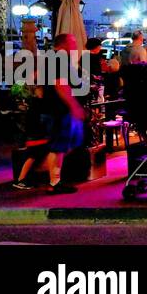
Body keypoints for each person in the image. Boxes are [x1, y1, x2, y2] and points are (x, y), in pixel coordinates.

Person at [39, 34, 86, 194]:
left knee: (66, 143)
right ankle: (54, 181)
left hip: (53, 109)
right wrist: (74, 107)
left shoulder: (49, 58)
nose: (75, 45)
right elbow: (61, 86)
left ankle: (53, 174)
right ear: (64, 43)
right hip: (59, 110)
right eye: (73, 42)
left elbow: (39, 80)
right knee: (59, 146)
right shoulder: (60, 60)